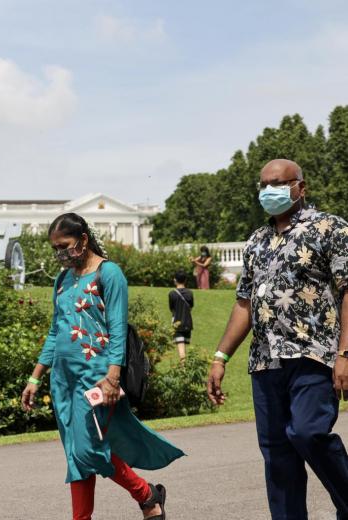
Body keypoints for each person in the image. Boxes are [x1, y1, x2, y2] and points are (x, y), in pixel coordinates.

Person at [207, 159, 348, 520]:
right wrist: (221, 356)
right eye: (264, 185)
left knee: (308, 433)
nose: (270, 191)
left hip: (314, 355)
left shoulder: (329, 228)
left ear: (302, 187)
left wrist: (346, 353)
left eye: (279, 183)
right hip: (265, 362)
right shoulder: (256, 241)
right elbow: (244, 304)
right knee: (277, 456)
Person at [22, 213, 184, 520]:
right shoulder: (63, 279)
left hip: (96, 378)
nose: (60, 254)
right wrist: (35, 377)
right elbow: (56, 332)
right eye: (55, 248)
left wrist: (112, 377)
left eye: (65, 246)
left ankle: (146, 495)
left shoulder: (109, 273)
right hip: (63, 381)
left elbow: (118, 329)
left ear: (83, 240)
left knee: (88, 450)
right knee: (75, 455)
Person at [169, 270, 194, 363]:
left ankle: (183, 368)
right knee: (183, 347)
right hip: (188, 323)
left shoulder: (172, 294)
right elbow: (191, 307)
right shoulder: (190, 293)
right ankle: (185, 365)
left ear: (175, 280)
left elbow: (172, 309)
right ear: (185, 280)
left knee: (181, 348)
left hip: (178, 323)